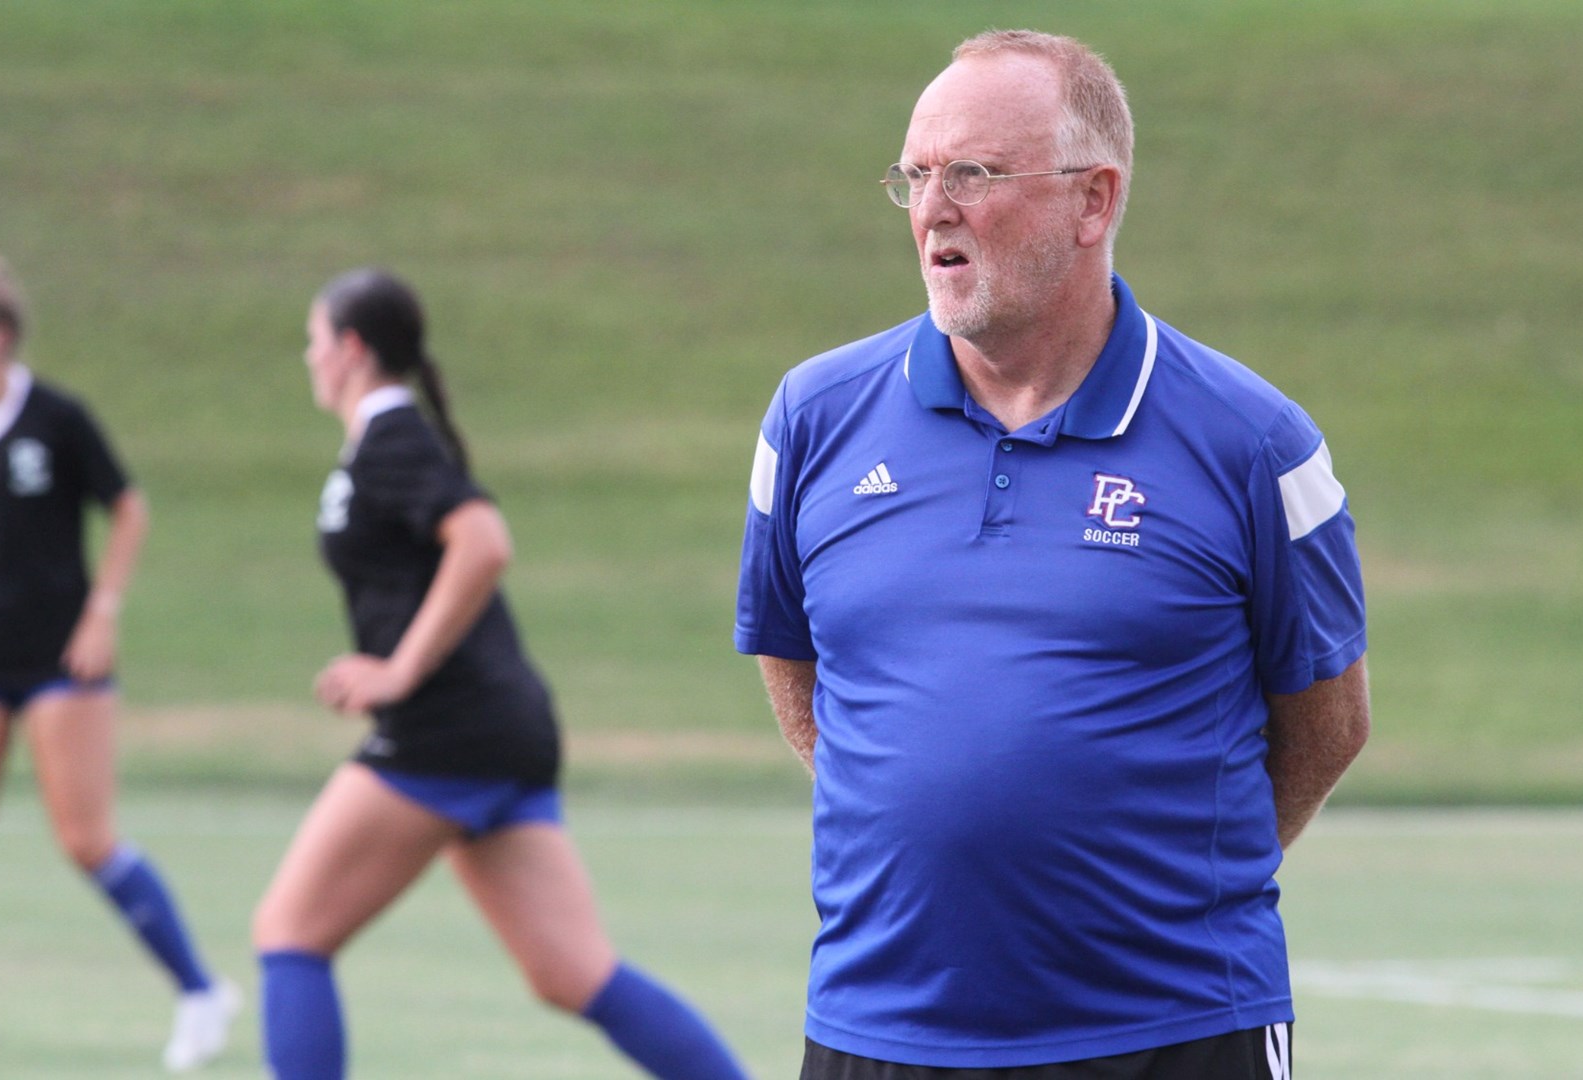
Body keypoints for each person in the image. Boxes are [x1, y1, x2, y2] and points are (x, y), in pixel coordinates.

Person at [735, 30, 1371, 1079]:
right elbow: (797, 660)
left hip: (1174, 1034)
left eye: (975, 173)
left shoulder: (1254, 443)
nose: (935, 206)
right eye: (916, 175)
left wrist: (1156, 882)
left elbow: (1329, 725)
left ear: (1094, 201)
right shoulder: (813, 418)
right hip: (875, 1032)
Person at [252, 268, 750, 1080]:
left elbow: (483, 540)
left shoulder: (392, 435)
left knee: (289, 936)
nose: (306, 358)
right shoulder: (379, 442)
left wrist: (397, 673)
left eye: (312, 341)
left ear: (348, 349)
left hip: (446, 731)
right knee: (572, 975)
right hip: (499, 729)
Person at [0, 256, 240, 1073]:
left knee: (86, 840)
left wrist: (101, 612)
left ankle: (199, 992)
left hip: (57, 658)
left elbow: (128, 508)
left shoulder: (56, 418)